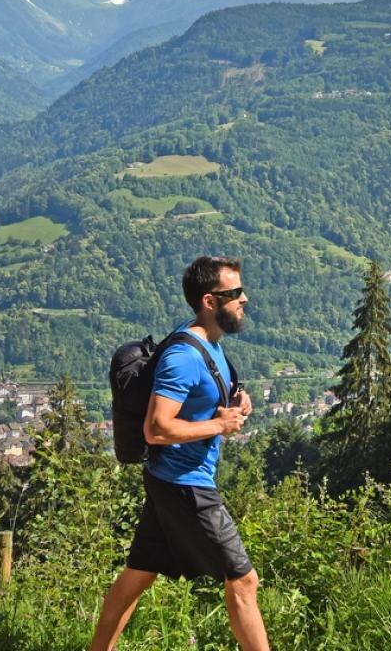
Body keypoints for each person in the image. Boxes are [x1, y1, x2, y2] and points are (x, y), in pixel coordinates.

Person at [90, 255, 268, 651]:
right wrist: (220, 425)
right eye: (235, 293)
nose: (245, 298)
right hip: (186, 485)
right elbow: (156, 428)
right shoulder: (182, 355)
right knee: (243, 579)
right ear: (209, 301)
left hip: (167, 481)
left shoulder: (207, 341)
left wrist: (235, 399)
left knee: (139, 573)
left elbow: (204, 391)